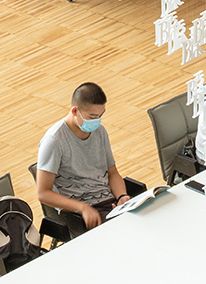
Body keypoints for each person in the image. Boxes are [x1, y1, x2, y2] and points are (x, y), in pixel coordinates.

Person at [36, 81, 134, 234]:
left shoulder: (100, 131)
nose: (97, 121)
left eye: (100, 115)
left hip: (109, 203)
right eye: (92, 116)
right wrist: (82, 208)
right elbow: (43, 193)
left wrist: (122, 196)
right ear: (75, 111)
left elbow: (112, 173)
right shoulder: (54, 141)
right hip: (81, 212)